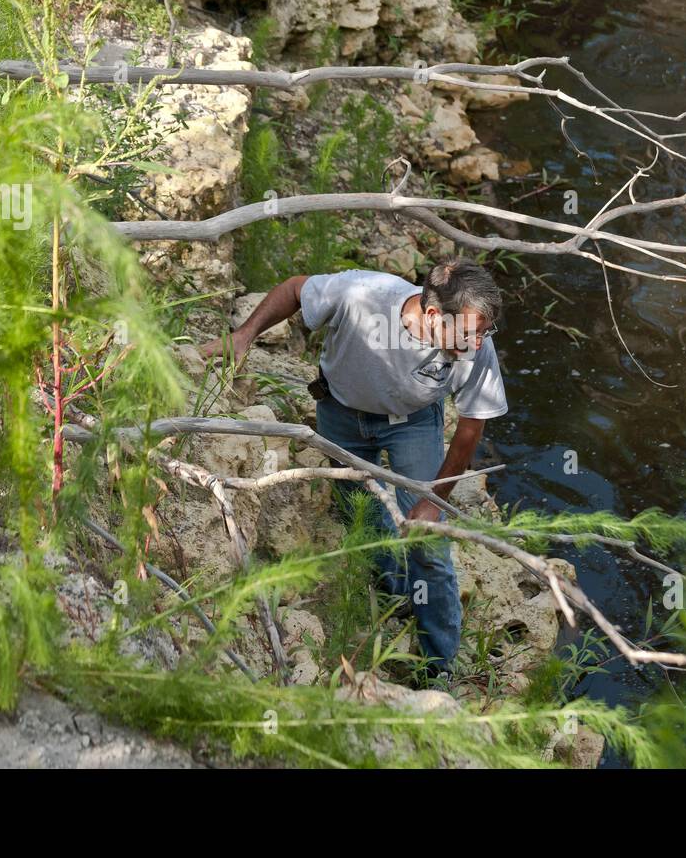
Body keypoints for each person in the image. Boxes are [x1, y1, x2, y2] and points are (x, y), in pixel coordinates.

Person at [202, 258, 507, 682]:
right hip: (340, 416)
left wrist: (433, 500)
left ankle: (439, 669)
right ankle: (394, 590)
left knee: (429, 541)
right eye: (472, 332)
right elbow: (294, 289)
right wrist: (243, 335)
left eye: (484, 333)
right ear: (435, 315)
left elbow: (471, 425)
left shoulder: (476, 346)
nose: (478, 343)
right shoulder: (362, 295)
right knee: (359, 509)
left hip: (412, 423)